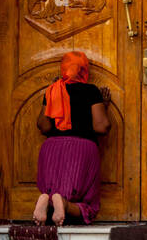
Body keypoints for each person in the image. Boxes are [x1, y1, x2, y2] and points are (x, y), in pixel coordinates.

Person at [33, 50, 110, 226]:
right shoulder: (91, 91)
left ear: (63, 69)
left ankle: (46, 200)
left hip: (53, 148)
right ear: (84, 70)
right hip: (81, 149)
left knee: (53, 190)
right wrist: (104, 107)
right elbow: (101, 126)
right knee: (88, 205)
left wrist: (51, 96)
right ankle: (65, 205)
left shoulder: (54, 90)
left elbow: (43, 125)